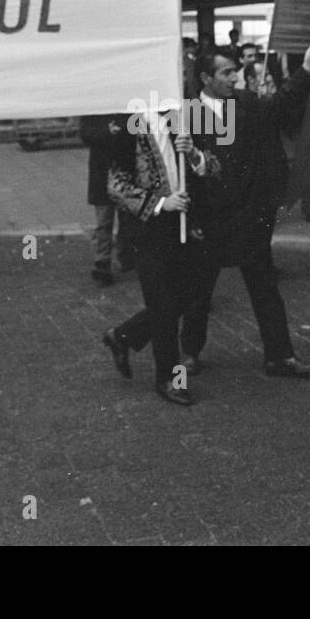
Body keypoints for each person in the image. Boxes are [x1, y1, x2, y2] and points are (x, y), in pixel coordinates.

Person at [180, 45, 310, 378]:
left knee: (265, 288)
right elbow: (186, 174)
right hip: (212, 217)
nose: (235, 77)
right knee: (199, 292)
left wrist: (306, 69)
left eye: (235, 71)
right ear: (205, 77)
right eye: (226, 72)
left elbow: (282, 103)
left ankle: (280, 356)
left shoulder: (245, 103)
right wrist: (193, 220)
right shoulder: (189, 114)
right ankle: (189, 352)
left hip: (248, 215)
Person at [100, 109, 216, 405]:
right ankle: (168, 379)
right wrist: (162, 203)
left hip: (183, 226)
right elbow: (116, 186)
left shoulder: (182, 118)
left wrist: (194, 156)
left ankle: (123, 336)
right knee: (163, 304)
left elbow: (211, 168)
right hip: (147, 229)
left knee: (187, 296)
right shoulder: (130, 125)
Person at [80, 112, 140, 285]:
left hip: (123, 170)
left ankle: (124, 257)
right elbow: (85, 135)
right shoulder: (93, 111)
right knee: (104, 221)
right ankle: (103, 263)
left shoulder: (125, 109)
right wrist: (108, 132)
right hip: (102, 173)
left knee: (125, 218)